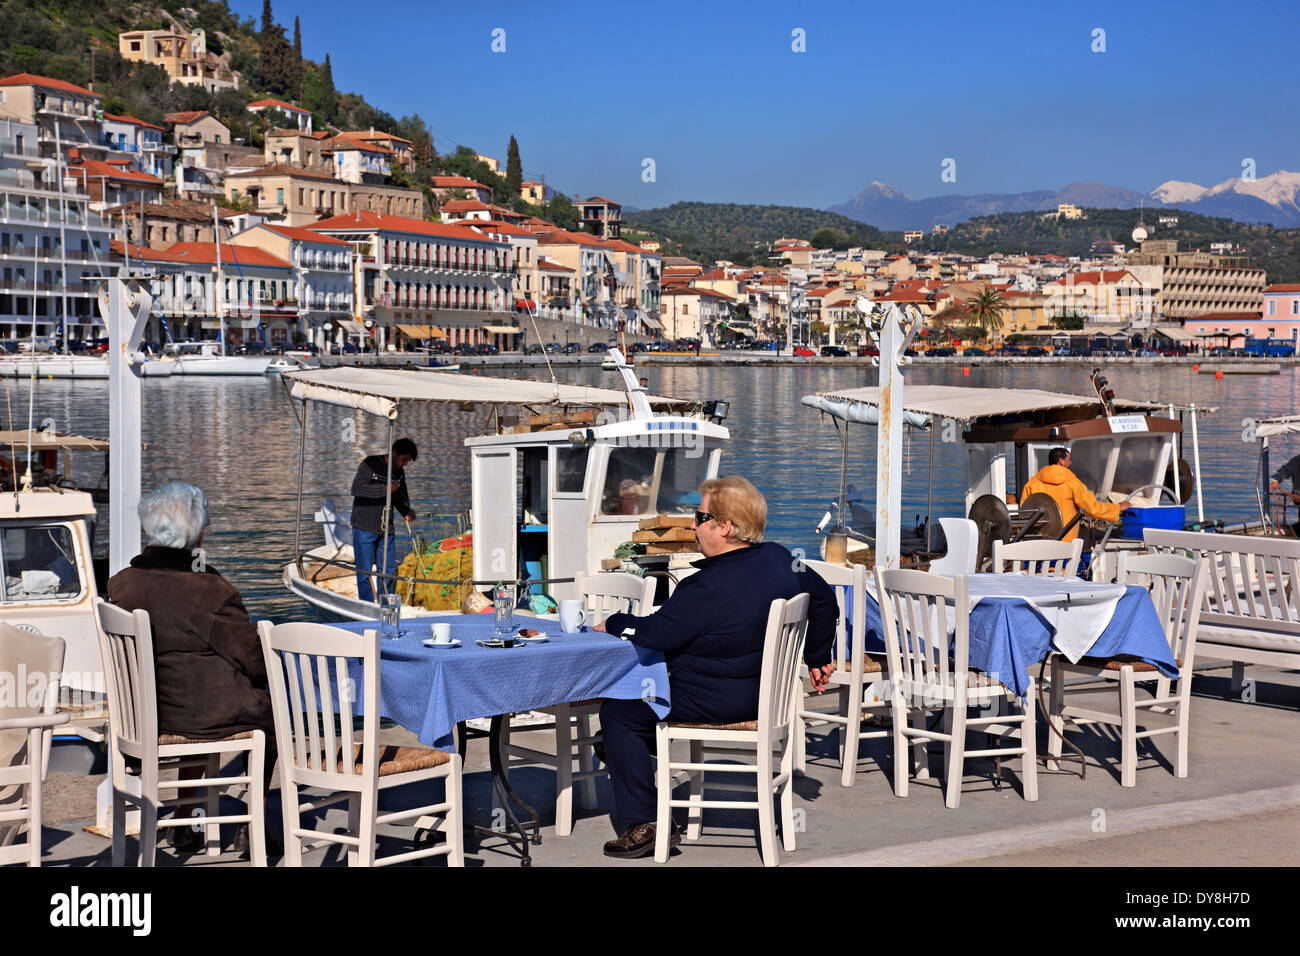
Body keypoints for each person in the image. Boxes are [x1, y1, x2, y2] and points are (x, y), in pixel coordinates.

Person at [593, 476, 837, 859]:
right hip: (765, 698)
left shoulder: (704, 587)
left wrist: (615, 622)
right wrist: (818, 656)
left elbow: (656, 634)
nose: (692, 524)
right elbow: (825, 599)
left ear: (725, 527)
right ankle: (628, 764)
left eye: (699, 516)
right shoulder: (780, 558)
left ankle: (644, 823)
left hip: (716, 699)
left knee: (619, 712)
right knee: (624, 719)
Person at [107, 481, 276, 855]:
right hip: (198, 718)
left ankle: (185, 815)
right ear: (197, 533)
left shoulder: (121, 584)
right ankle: (254, 823)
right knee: (270, 717)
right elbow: (257, 662)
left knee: (201, 695)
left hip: (145, 717)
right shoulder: (211, 591)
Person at [350, 438, 418, 603]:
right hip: (364, 527)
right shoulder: (370, 463)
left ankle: (386, 605)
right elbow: (356, 488)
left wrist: (406, 511)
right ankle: (366, 604)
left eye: (407, 461)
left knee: (387, 571)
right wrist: (385, 489)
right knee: (365, 572)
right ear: (394, 452)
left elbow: (400, 496)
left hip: (387, 528)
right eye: (403, 459)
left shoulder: (399, 472)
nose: (405, 464)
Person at [1020, 446, 1130, 541]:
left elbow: (1025, 513)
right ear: (1061, 461)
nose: (1070, 463)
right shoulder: (1073, 483)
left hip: (1038, 539)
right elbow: (1092, 508)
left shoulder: (1032, 483)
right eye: (1068, 460)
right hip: (1065, 541)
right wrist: (1117, 508)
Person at [1268, 451, 1300, 536]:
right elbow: (1283, 472)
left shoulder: (1296, 460)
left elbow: (1284, 471)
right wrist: (1275, 480)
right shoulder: (1297, 460)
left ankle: (1294, 530)